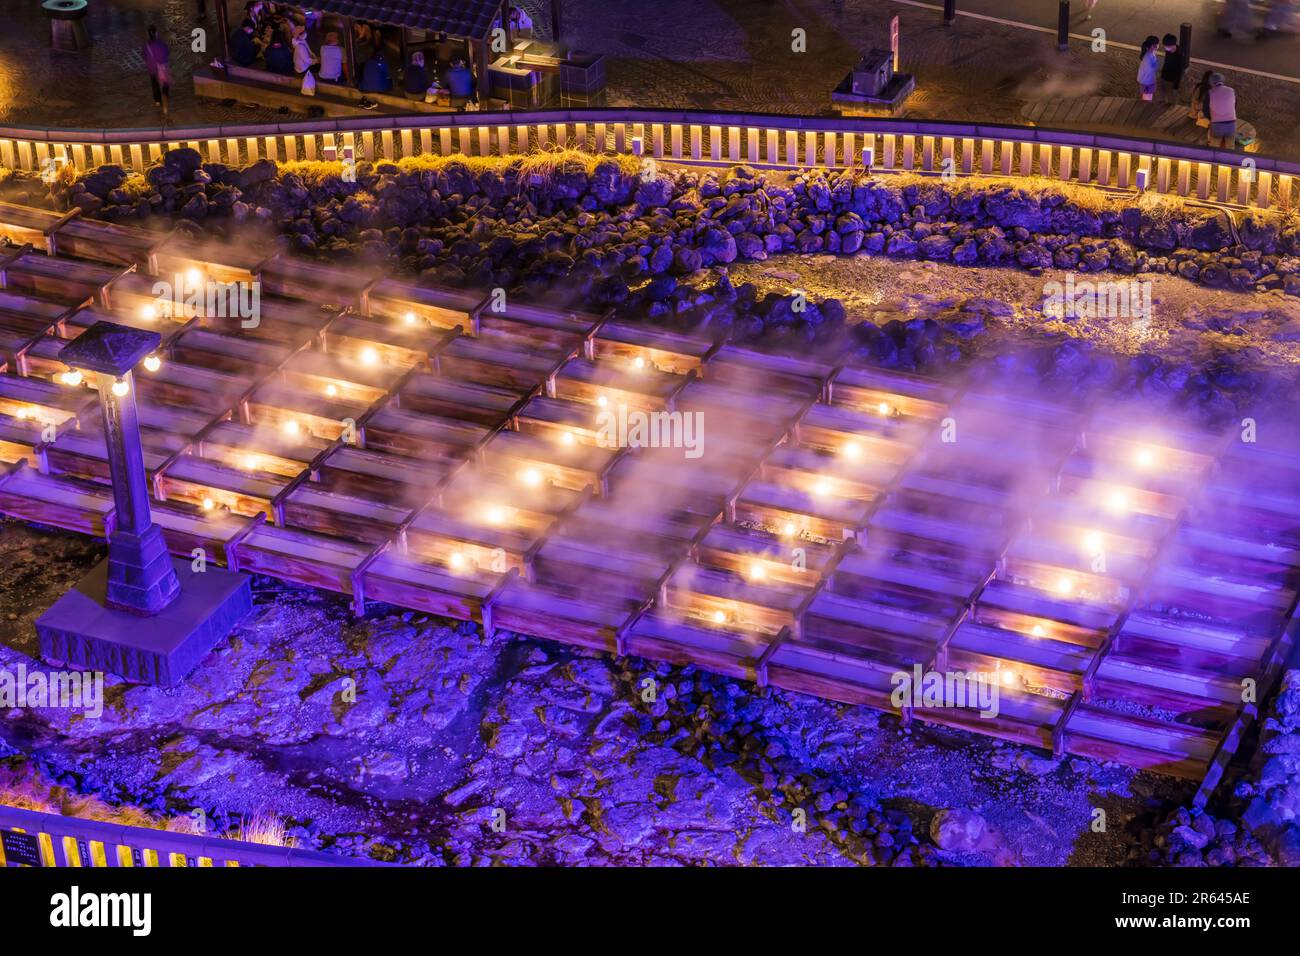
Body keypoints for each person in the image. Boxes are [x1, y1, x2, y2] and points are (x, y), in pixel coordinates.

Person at [142, 25, 171, 115]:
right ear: (156, 33)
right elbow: (167, 53)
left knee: (154, 84)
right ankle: (165, 97)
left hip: (152, 69)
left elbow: (144, 56)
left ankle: (157, 101)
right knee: (165, 83)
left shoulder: (146, 45)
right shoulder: (161, 44)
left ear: (148, 34)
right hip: (162, 67)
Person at [1205, 73, 1237, 148]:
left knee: (1214, 147)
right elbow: (1234, 105)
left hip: (1217, 125)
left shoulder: (1209, 93)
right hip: (1231, 124)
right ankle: (1229, 159)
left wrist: (1211, 118)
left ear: (1211, 82)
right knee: (1230, 147)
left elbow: (1205, 109)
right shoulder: (1231, 90)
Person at [1158, 33, 1184, 103]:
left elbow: (1180, 72)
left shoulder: (1178, 56)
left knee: (1171, 98)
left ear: (1173, 45)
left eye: (1166, 46)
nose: (1165, 48)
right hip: (1164, 76)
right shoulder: (1169, 50)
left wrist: (1176, 86)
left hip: (1171, 80)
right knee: (1162, 93)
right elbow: (1166, 61)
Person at [1137, 36, 1159, 102]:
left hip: (1146, 80)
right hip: (1147, 82)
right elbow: (1149, 70)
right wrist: (1156, 65)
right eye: (1157, 44)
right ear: (1153, 45)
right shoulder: (1147, 57)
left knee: (1147, 98)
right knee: (1147, 99)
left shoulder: (1150, 53)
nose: (1158, 45)